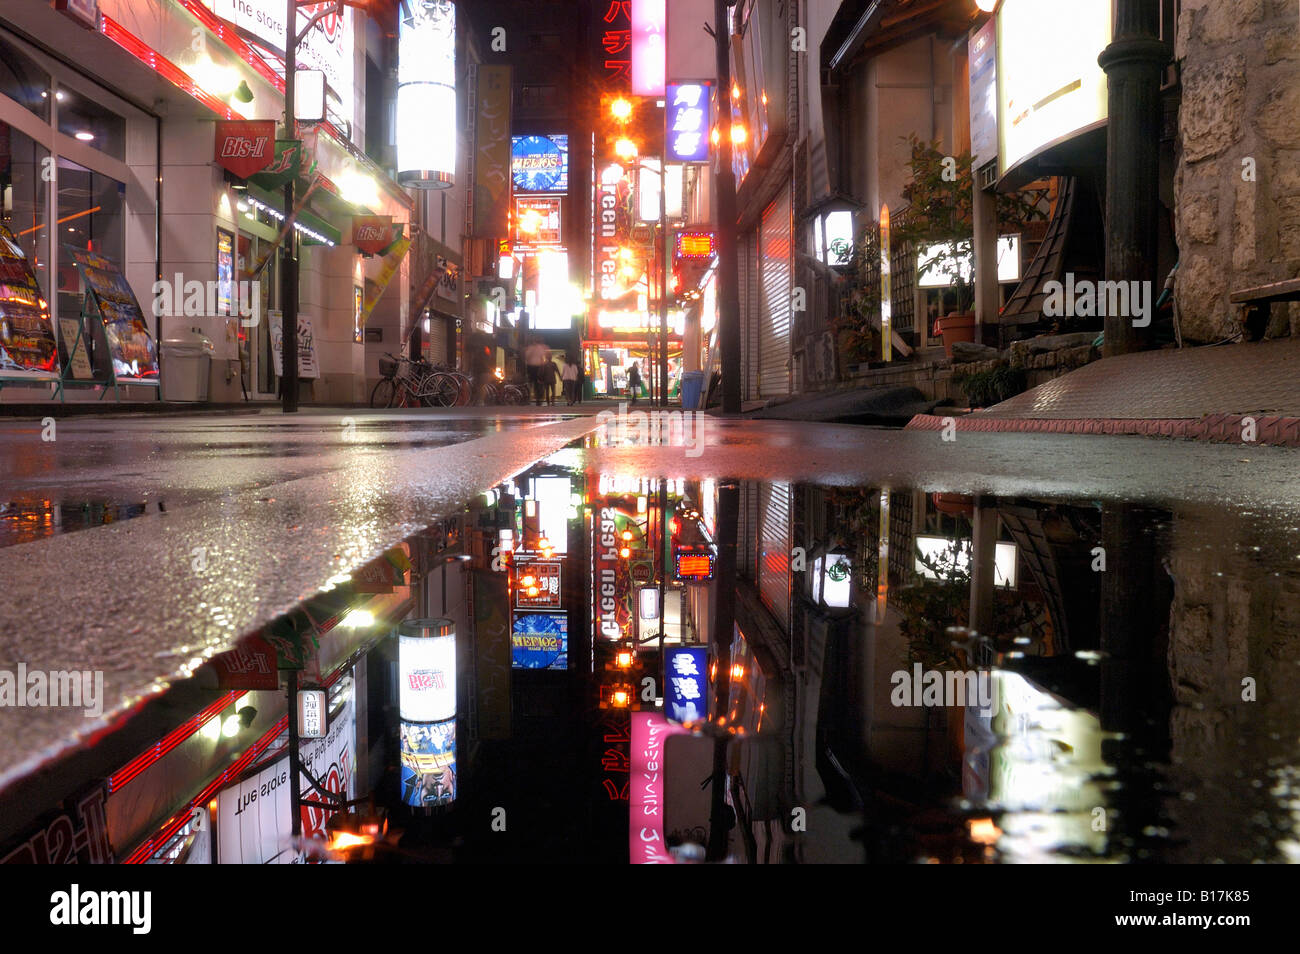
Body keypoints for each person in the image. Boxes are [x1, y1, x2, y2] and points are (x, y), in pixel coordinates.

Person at [525, 338, 549, 406]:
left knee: (533, 384)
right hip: (536, 367)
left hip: (532, 367)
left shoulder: (531, 348)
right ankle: (537, 399)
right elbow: (542, 358)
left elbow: (527, 357)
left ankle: (534, 399)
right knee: (536, 385)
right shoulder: (540, 348)